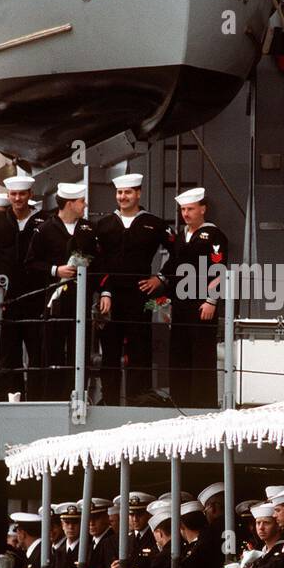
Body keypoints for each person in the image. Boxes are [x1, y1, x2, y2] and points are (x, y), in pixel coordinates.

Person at [93, 171, 172, 405]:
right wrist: (104, 290)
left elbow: (178, 253)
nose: (123, 197)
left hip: (142, 296)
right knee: (109, 350)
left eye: (128, 192)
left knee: (140, 346)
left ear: (138, 193)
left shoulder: (154, 224)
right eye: (119, 192)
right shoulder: (104, 225)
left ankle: (140, 398)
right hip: (110, 296)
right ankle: (109, 399)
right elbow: (96, 261)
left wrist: (161, 278)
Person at [25, 182, 99, 400]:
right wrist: (56, 270)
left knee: (81, 348)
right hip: (55, 300)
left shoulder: (88, 229)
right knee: (54, 348)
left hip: (81, 298)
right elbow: (30, 263)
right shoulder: (45, 229)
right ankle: (53, 397)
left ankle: (79, 394)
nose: (85, 205)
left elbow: (98, 259)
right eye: (81, 201)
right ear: (69, 203)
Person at [158, 187, 228, 408]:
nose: (186, 214)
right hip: (181, 303)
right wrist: (164, 294)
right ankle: (181, 401)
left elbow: (219, 268)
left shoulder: (214, 236)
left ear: (203, 209)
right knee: (179, 353)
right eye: (183, 209)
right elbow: (173, 265)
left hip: (201, 304)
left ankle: (202, 404)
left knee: (202, 355)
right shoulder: (181, 236)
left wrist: (212, 300)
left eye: (190, 209)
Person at [0, 170, 48, 399]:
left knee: (37, 350)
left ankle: (39, 398)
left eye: (22, 194)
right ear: (9, 196)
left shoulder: (43, 220)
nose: (18, 198)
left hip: (36, 295)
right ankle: (12, 397)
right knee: (9, 352)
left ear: (30, 194)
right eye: (13, 194)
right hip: (7, 298)